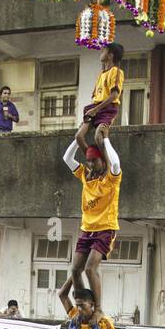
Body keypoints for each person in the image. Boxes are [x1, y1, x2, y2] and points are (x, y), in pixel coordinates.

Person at [60, 135, 122, 317]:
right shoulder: (85, 176)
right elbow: (67, 158)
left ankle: (98, 309)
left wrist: (106, 140)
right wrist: (77, 138)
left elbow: (116, 163)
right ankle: (82, 303)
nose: (91, 165)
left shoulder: (111, 178)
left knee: (90, 268)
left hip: (105, 228)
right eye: (88, 162)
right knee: (75, 270)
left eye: (94, 161)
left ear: (103, 161)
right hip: (86, 229)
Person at [76, 42, 124, 156]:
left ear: (110, 55)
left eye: (104, 50)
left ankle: (106, 165)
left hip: (108, 109)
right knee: (79, 136)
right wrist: (90, 113)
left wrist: (96, 110)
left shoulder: (116, 71)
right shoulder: (101, 74)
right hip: (95, 108)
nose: (101, 52)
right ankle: (93, 162)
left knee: (98, 136)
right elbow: (95, 97)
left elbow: (114, 96)